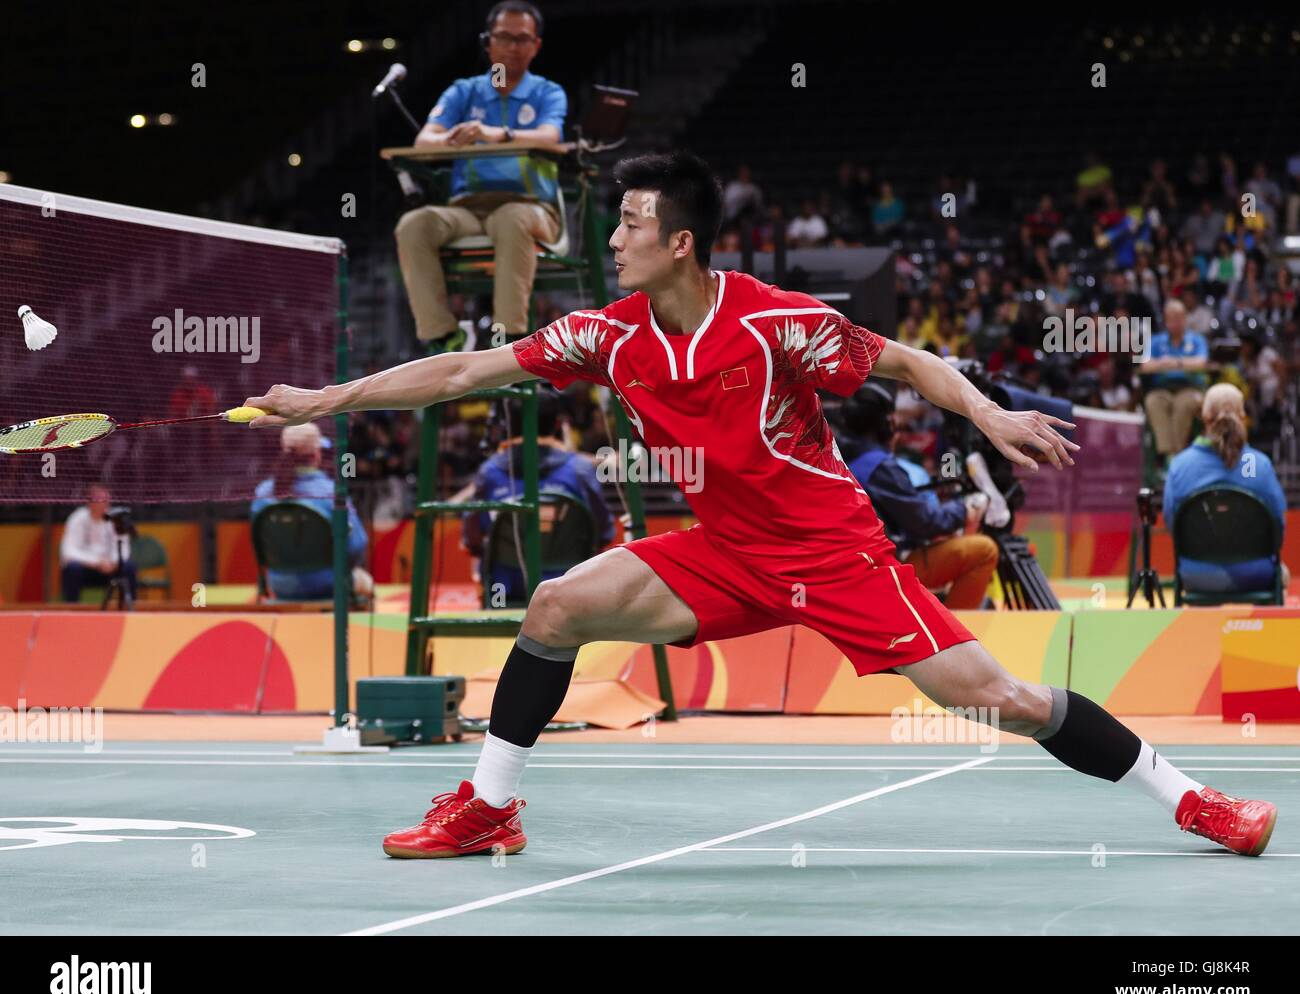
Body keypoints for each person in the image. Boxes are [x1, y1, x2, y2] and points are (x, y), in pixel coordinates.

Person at [246, 151, 1276, 860]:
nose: (616, 239)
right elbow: (466, 368)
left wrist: (989, 413)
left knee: (1003, 697)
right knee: (556, 604)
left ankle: (1195, 799)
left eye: (634, 224)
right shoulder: (612, 337)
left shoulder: (773, 323)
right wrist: (326, 398)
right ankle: (490, 807)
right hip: (725, 548)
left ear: (683, 242)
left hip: (836, 554)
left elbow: (908, 361)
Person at [393, 1, 566, 353]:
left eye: (522, 39)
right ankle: (444, 335)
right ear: (488, 42)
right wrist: (453, 136)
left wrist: (496, 134)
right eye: (504, 37)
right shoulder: (464, 92)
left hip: (532, 210)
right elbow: (424, 141)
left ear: (536, 46)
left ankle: (510, 342)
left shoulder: (547, 92)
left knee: (510, 218)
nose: (512, 47)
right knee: (414, 225)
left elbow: (549, 137)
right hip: (468, 212)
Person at [839, 383, 998, 609]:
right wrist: (965, 509)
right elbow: (926, 522)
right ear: (887, 427)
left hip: (851, 566)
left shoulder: (839, 460)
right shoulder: (879, 467)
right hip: (881, 569)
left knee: (943, 542)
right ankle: (955, 636)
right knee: (984, 550)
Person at [463, 393, 614, 603]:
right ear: (557, 424)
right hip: (569, 587)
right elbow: (604, 532)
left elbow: (472, 539)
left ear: (509, 425)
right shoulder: (580, 470)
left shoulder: (489, 473)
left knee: (495, 586)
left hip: (503, 589)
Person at [1163, 384, 1288, 595]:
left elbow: (1171, 524)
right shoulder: (1257, 464)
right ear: (1242, 415)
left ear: (1204, 416)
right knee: (1283, 574)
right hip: (1255, 574)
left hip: (1197, 575)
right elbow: (1278, 526)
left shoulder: (1180, 465)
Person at [250, 423, 373, 600]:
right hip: (329, 583)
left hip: (280, 585)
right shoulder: (332, 492)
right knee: (366, 583)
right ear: (316, 454)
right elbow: (357, 545)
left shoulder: (262, 493)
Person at [1139, 298, 1209, 465]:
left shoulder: (1197, 340)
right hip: (1162, 388)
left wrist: (1176, 362)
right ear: (1166, 321)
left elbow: (1201, 362)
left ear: (1185, 319)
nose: (1175, 323)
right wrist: (1163, 363)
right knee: (1153, 402)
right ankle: (1169, 454)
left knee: (1183, 404)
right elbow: (1144, 364)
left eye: (1179, 318)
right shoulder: (1156, 341)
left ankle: (1175, 456)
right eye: (1171, 319)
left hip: (1189, 388)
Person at [60, 484, 135, 602]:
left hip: (111, 567)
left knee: (128, 567)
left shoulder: (116, 518)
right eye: (100, 500)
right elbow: (68, 551)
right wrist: (97, 562)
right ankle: (71, 609)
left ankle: (130, 608)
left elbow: (124, 549)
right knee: (72, 568)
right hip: (86, 568)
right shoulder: (77, 518)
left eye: (107, 499)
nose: (105, 503)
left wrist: (114, 562)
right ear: (89, 502)